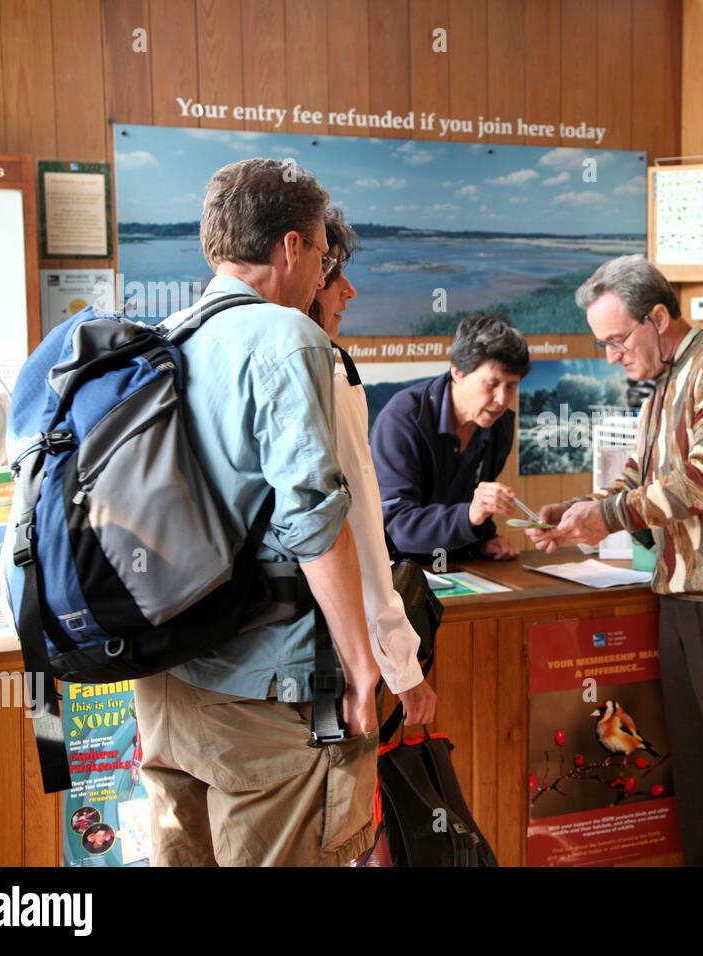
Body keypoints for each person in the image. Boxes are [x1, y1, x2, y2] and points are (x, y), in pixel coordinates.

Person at [133, 158, 382, 867]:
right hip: (260, 693)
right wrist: (364, 666)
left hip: (167, 681)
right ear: (293, 248)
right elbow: (312, 522)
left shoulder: (164, 337)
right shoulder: (287, 336)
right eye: (322, 256)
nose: (320, 279)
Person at [527, 254, 703, 867]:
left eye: (617, 340)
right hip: (683, 599)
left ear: (657, 317)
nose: (612, 356)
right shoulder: (661, 391)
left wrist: (611, 516)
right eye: (603, 344)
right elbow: (636, 477)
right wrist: (579, 509)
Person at [306, 205, 436, 725]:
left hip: (190, 671)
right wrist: (400, 669)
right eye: (333, 273)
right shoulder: (324, 371)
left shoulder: (189, 343)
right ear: (296, 263)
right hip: (308, 673)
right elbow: (358, 528)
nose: (349, 291)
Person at [370, 311, 530, 563]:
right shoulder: (401, 419)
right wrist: (470, 516)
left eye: (511, 386)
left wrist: (484, 539)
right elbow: (396, 526)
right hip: (395, 569)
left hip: (456, 565)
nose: (502, 400)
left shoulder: (500, 425)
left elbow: (470, 503)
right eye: (491, 384)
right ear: (457, 372)